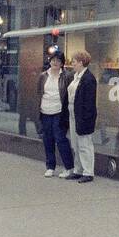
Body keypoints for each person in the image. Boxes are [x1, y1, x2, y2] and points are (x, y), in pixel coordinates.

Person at [37, 48, 75, 178]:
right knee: (47, 139)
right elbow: (39, 93)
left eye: (58, 61)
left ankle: (69, 167)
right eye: (53, 60)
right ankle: (50, 166)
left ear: (62, 63)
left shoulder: (67, 76)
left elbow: (70, 93)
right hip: (45, 111)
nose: (55, 63)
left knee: (60, 139)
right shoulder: (43, 76)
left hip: (59, 112)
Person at [67, 50, 97, 183]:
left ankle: (88, 172)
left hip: (83, 115)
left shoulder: (88, 79)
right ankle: (78, 169)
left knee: (84, 143)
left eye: (74, 61)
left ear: (81, 62)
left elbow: (89, 102)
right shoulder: (76, 76)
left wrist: (86, 118)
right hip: (73, 112)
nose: (72, 63)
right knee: (75, 143)